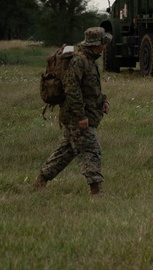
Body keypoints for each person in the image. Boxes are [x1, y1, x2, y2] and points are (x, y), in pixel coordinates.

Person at [33, 27, 112, 195]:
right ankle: (96, 190)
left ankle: (41, 180)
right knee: (91, 150)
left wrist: (103, 101)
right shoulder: (79, 62)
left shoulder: (91, 61)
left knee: (65, 152)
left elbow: (90, 89)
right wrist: (80, 116)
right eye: (103, 43)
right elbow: (72, 90)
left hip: (86, 115)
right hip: (78, 118)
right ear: (95, 44)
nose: (105, 46)